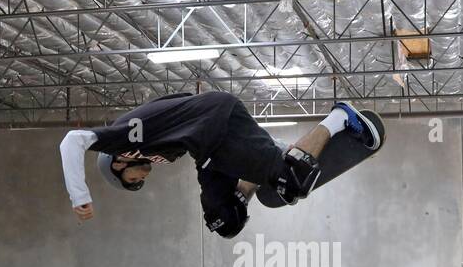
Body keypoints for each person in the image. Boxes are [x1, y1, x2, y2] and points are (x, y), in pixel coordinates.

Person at [58, 91, 381, 237]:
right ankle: (263, 169)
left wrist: (80, 196)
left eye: (133, 179)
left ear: (118, 163)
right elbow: (172, 101)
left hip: (220, 126)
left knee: (292, 182)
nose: (143, 177)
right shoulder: (141, 144)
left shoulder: (125, 138)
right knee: (224, 222)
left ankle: (338, 118)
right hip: (209, 154)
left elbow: (73, 141)